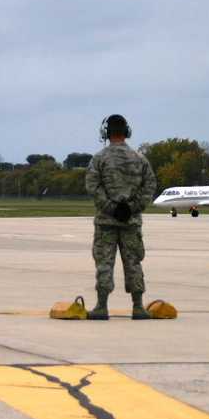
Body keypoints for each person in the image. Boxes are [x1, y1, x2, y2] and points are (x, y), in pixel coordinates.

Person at [84, 114, 158, 320]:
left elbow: (92, 186)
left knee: (104, 263)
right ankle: (138, 307)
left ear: (106, 133)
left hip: (106, 222)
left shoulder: (99, 159)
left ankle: (101, 306)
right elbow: (150, 186)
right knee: (133, 262)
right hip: (131, 222)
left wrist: (109, 207)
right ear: (127, 132)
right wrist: (133, 207)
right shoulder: (140, 159)